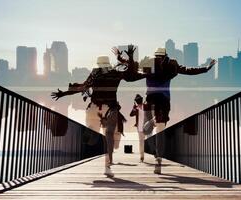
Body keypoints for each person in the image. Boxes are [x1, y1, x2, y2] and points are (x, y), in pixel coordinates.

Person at [51, 45, 144, 177]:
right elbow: (132, 73)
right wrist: (128, 57)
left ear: (98, 64)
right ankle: (108, 163)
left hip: (94, 109)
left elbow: (82, 88)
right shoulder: (115, 73)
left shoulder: (95, 73)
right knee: (110, 138)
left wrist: (64, 94)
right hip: (109, 110)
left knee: (93, 134)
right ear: (108, 64)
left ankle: (89, 136)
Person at [141, 47, 216, 174]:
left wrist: (125, 62)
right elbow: (187, 70)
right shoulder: (170, 65)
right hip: (162, 99)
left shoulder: (149, 64)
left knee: (150, 129)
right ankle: (158, 159)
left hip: (150, 99)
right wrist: (206, 69)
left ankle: (154, 128)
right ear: (165, 56)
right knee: (159, 130)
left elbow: (133, 72)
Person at [129, 94, 148, 162]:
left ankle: (142, 156)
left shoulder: (143, 106)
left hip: (143, 126)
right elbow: (131, 115)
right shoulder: (140, 107)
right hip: (143, 126)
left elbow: (131, 115)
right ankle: (142, 156)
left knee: (143, 141)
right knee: (143, 141)